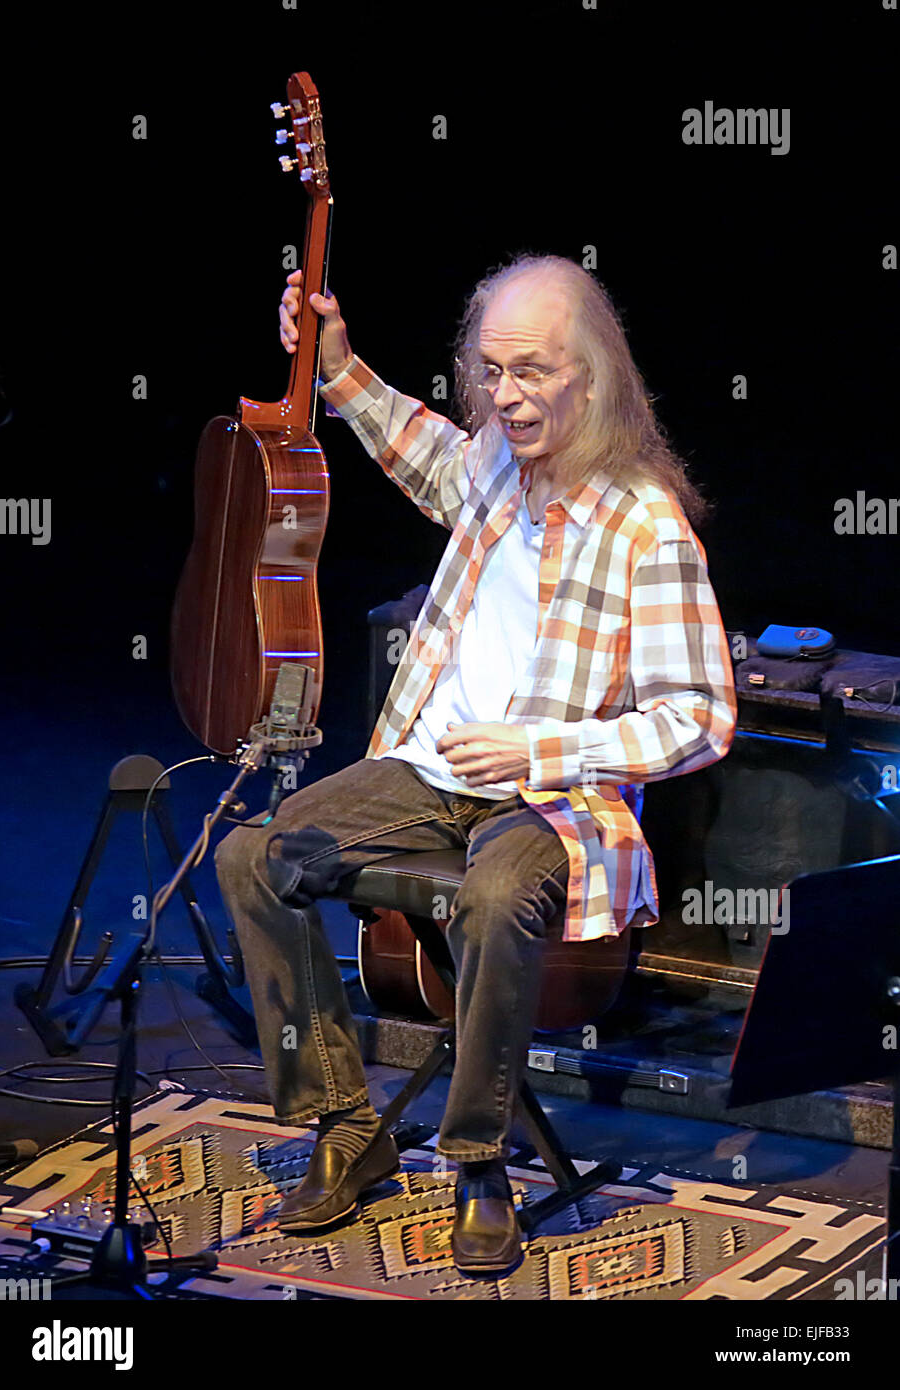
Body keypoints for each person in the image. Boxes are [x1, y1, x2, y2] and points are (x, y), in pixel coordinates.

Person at [214, 253, 737, 1276]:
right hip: (430, 770)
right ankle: (344, 1126)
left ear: (590, 375)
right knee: (252, 855)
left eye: (532, 372)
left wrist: (540, 747)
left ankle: (480, 1162)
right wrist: (336, 364)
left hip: (553, 801)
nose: (506, 396)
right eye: (493, 372)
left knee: (495, 896)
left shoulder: (646, 524)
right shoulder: (495, 460)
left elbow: (703, 718)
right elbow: (430, 458)